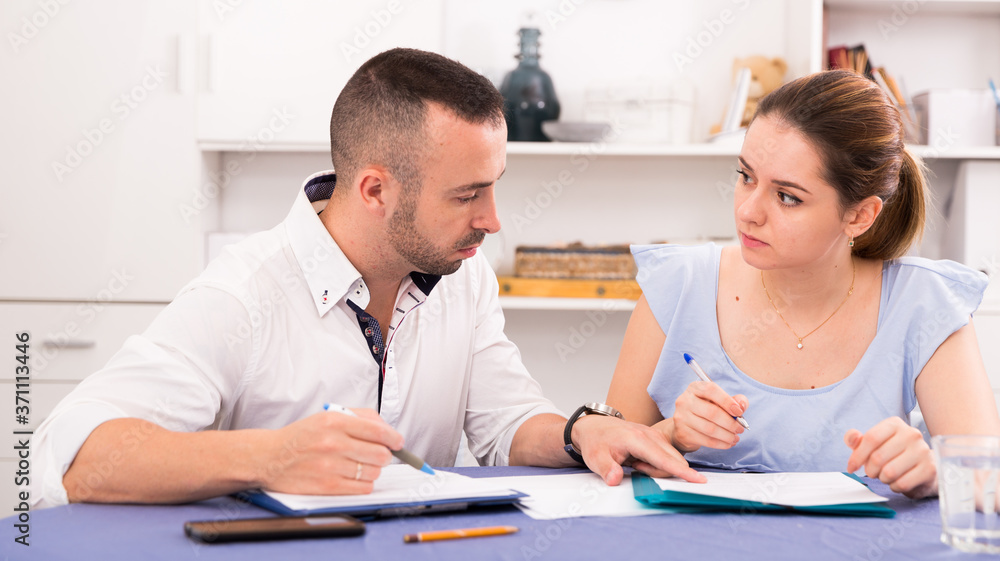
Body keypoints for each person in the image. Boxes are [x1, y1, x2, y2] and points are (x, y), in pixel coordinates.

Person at [30, 48, 701, 509]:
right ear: (375, 189)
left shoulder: (461, 276)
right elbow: (75, 457)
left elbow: (504, 423)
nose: (493, 220)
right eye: (467, 195)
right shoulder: (242, 294)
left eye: (494, 188)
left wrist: (580, 430)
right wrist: (270, 456)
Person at [606, 69, 1000, 500]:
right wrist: (674, 433)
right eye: (745, 176)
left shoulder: (923, 303)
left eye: (787, 196)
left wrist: (937, 473)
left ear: (859, 216)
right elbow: (607, 459)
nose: (748, 212)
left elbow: (990, 479)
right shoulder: (677, 285)